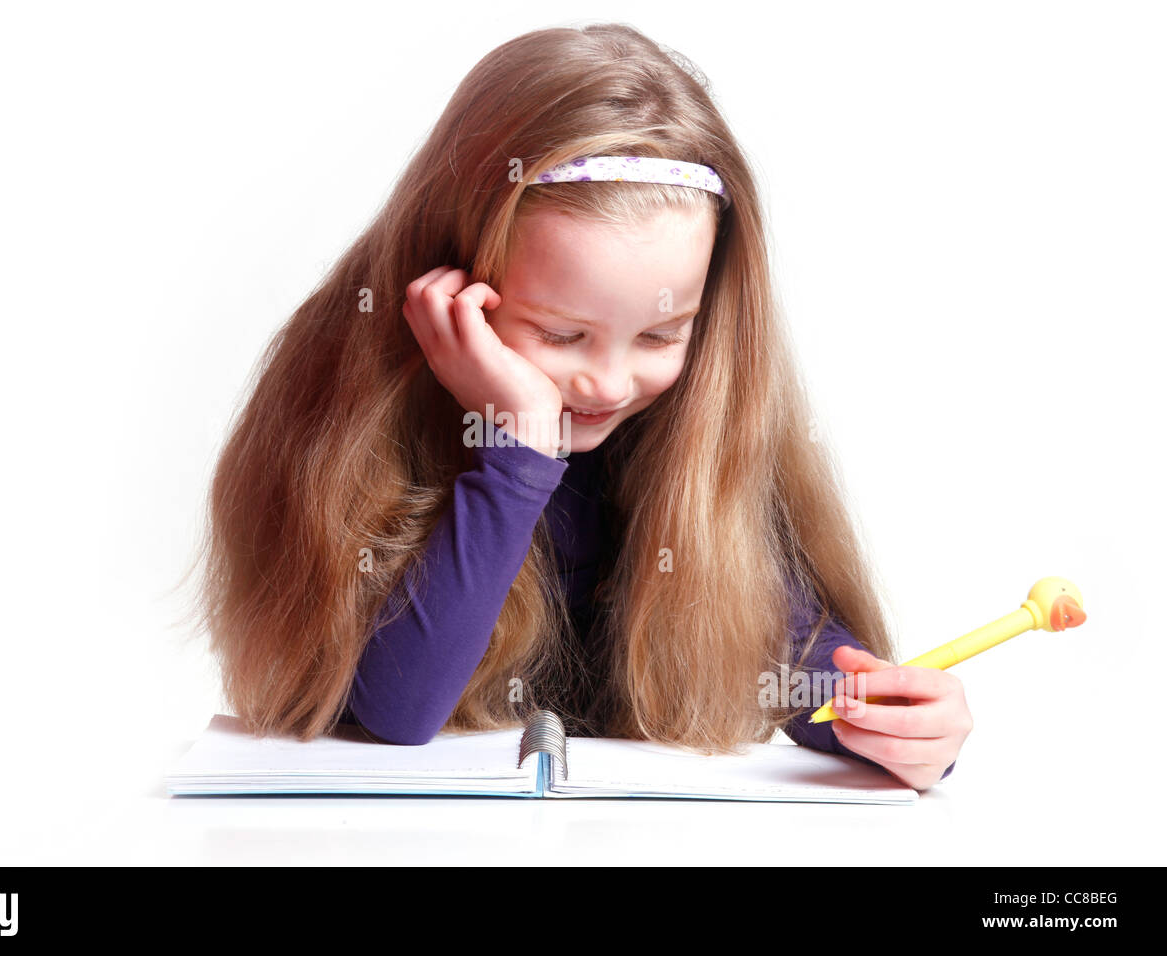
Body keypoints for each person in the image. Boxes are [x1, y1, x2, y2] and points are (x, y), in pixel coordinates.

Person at [191, 23, 970, 791]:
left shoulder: (683, 430)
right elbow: (397, 711)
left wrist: (897, 723)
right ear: (456, 285)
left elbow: (793, 664)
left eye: (659, 334)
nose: (607, 384)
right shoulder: (354, 424)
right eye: (561, 334)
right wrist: (518, 451)